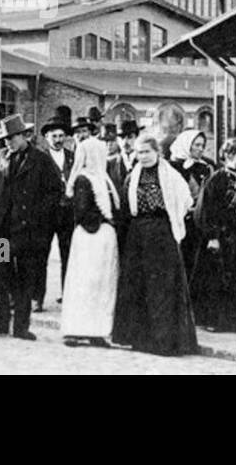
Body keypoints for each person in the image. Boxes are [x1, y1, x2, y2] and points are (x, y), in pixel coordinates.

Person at [111, 134, 197, 356]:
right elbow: (125, 207)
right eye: (139, 152)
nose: (143, 156)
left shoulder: (170, 176)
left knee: (162, 286)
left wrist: (174, 218)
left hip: (161, 233)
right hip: (137, 234)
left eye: (147, 152)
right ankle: (139, 338)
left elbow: (186, 200)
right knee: (138, 285)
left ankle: (165, 341)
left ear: (157, 152)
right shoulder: (132, 177)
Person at [0, 114, 63, 340]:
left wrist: (37, 216)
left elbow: (54, 191)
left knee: (25, 279)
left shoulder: (40, 159)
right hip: (3, 232)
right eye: (6, 138)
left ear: (24, 136)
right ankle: (1, 322)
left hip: (28, 232)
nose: (8, 142)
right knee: (0, 275)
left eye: (12, 137)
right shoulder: (1, 156)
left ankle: (21, 327)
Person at [61, 137, 120, 347]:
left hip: (103, 238)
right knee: (86, 282)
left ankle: (97, 329)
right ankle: (77, 328)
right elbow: (82, 212)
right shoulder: (83, 179)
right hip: (90, 238)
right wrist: (105, 223)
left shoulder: (103, 178)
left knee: (101, 284)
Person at [190, 137, 236, 332]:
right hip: (223, 235)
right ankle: (217, 321)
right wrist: (213, 236)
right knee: (219, 278)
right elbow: (205, 210)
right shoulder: (217, 179)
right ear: (228, 156)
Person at [38, 114, 74, 312]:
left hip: (67, 213)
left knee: (67, 254)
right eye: (54, 136)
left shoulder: (72, 156)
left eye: (61, 136)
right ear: (47, 138)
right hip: (46, 213)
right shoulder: (39, 157)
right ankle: (38, 297)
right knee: (41, 255)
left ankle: (67, 295)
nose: (58, 140)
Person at [168, 128, 210, 284]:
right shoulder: (172, 167)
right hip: (180, 222)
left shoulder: (205, 167)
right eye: (196, 145)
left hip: (198, 223)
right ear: (187, 145)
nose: (200, 149)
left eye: (202, 146)